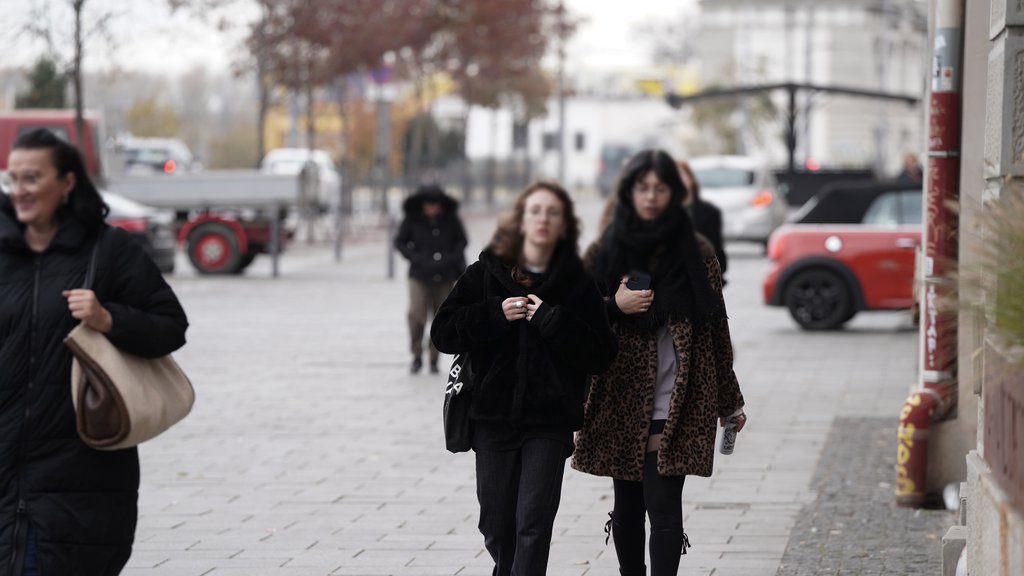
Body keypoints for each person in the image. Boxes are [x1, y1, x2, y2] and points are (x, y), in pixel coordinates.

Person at [0, 129, 189, 576]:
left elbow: (170, 327)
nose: (20, 190)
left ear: (66, 183)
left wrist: (108, 319)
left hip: (79, 471)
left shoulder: (109, 251)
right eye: (13, 179)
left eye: (32, 178)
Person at [572, 149, 747, 576]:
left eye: (660, 188)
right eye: (643, 188)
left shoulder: (697, 251)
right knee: (627, 505)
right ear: (630, 193)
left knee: (665, 505)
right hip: (619, 397)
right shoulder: (605, 252)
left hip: (680, 399)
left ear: (674, 194)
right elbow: (575, 322)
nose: (651, 196)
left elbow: (715, 332)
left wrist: (731, 402)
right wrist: (615, 304)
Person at [431, 181, 617, 576]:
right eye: (536, 211)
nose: (543, 219)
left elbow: (603, 353)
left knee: (533, 523)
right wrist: (493, 314)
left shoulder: (577, 282)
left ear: (564, 223)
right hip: (492, 418)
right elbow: (443, 332)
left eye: (553, 212)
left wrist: (553, 320)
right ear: (520, 220)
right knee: (496, 525)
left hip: (550, 421)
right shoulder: (484, 273)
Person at [394, 184, 467, 374]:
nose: (432, 209)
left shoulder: (451, 220)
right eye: (429, 205)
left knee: (440, 318)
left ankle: (434, 358)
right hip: (419, 276)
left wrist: (450, 259)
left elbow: (461, 242)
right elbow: (401, 242)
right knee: (416, 315)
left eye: (436, 205)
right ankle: (416, 354)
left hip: (445, 277)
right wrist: (417, 258)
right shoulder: (412, 220)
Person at [676, 159, 727, 279]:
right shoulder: (660, 213)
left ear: (691, 178)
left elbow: (717, 248)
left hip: (704, 275)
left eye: (681, 175)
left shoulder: (710, 212)